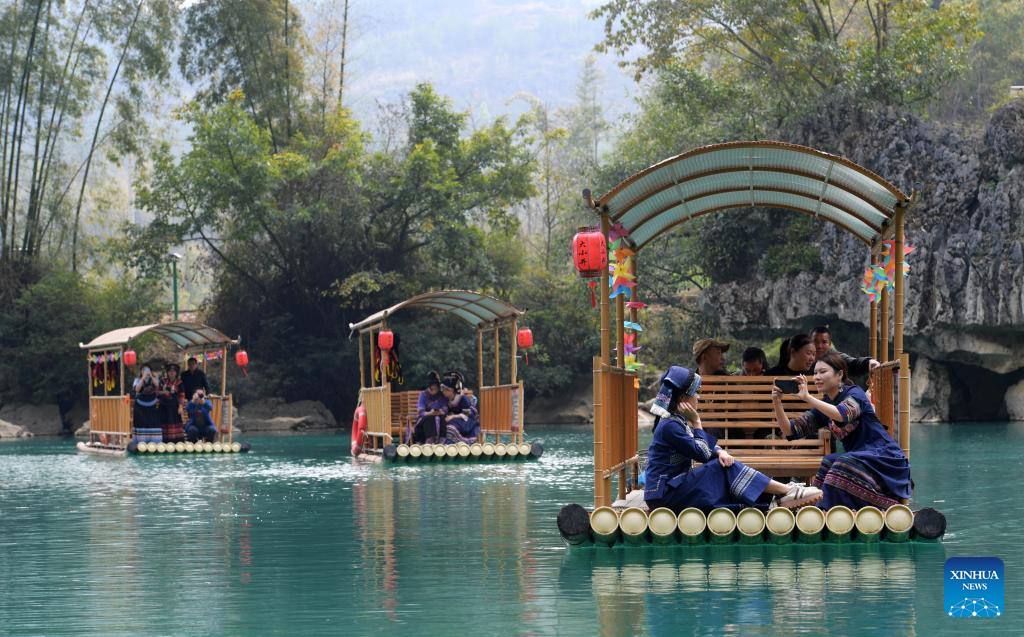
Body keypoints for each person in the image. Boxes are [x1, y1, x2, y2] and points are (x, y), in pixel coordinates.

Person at [644, 366, 822, 513]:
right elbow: (702, 453)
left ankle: (776, 496)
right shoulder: (671, 426)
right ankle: (784, 491)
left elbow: (700, 446)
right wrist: (697, 421)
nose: (699, 397)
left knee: (721, 466)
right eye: (696, 393)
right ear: (683, 399)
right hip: (664, 496)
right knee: (717, 468)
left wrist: (720, 451)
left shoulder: (676, 421)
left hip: (672, 489)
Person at [771, 351, 911, 509]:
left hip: (883, 458)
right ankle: (816, 509)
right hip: (859, 459)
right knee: (828, 461)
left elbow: (842, 415)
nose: (817, 377)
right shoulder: (826, 404)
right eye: (815, 373)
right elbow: (790, 430)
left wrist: (807, 398)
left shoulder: (855, 394)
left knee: (842, 464)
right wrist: (777, 402)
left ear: (839, 375)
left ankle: (886, 506)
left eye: (823, 372)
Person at [810, 326, 880, 377]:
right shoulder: (802, 359)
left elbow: (853, 363)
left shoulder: (836, 360)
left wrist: (868, 362)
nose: (819, 346)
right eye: (815, 342)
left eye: (824, 342)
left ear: (830, 344)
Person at [441, 371, 480, 444]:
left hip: (467, 421)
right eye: (443, 389)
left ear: (452, 390)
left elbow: (467, 415)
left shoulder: (463, 399)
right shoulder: (447, 398)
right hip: (456, 419)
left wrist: (453, 416)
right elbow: (446, 410)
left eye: (446, 390)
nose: (443, 391)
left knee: (451, 425)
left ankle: (451, 444)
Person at [412, 371, 449, 444]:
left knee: (442, 418)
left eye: (436, 388)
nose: (434, 390)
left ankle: (442, 442)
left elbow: (446, 407)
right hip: (426, 417)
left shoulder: (442, 394)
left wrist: (442, 411)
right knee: (430, 419)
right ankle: (429, 441)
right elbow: (420, 411)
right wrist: (430, 413)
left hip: (440, 417)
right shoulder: (423, 394)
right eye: (432, 388)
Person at [132, 366, 163, 443]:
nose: (146, 371)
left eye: (148, 370)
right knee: (141, 422)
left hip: (152, 404)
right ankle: (141, 441)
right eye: (144, 370)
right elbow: (137, 389)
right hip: (140, 405)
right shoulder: (137, 379)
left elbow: (157, 386)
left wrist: (151, 376)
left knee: (153, 422)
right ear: (141, 371)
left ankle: (155, 441)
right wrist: (143, 378)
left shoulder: (154, 379)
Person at [158, 363, 186, 442]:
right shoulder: (162, 381)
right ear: (167, 372)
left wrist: (180, 406)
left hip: (174, 407)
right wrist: (163, 392)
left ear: (176, 373)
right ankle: (164, 442)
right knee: (164, 424)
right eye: (170, 371)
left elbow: (182, 395)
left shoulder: (179, 383)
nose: (172, 372)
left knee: (174, 424)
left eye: (173, 371)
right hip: (163, 406)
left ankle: (176, 443)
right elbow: (157, 392)